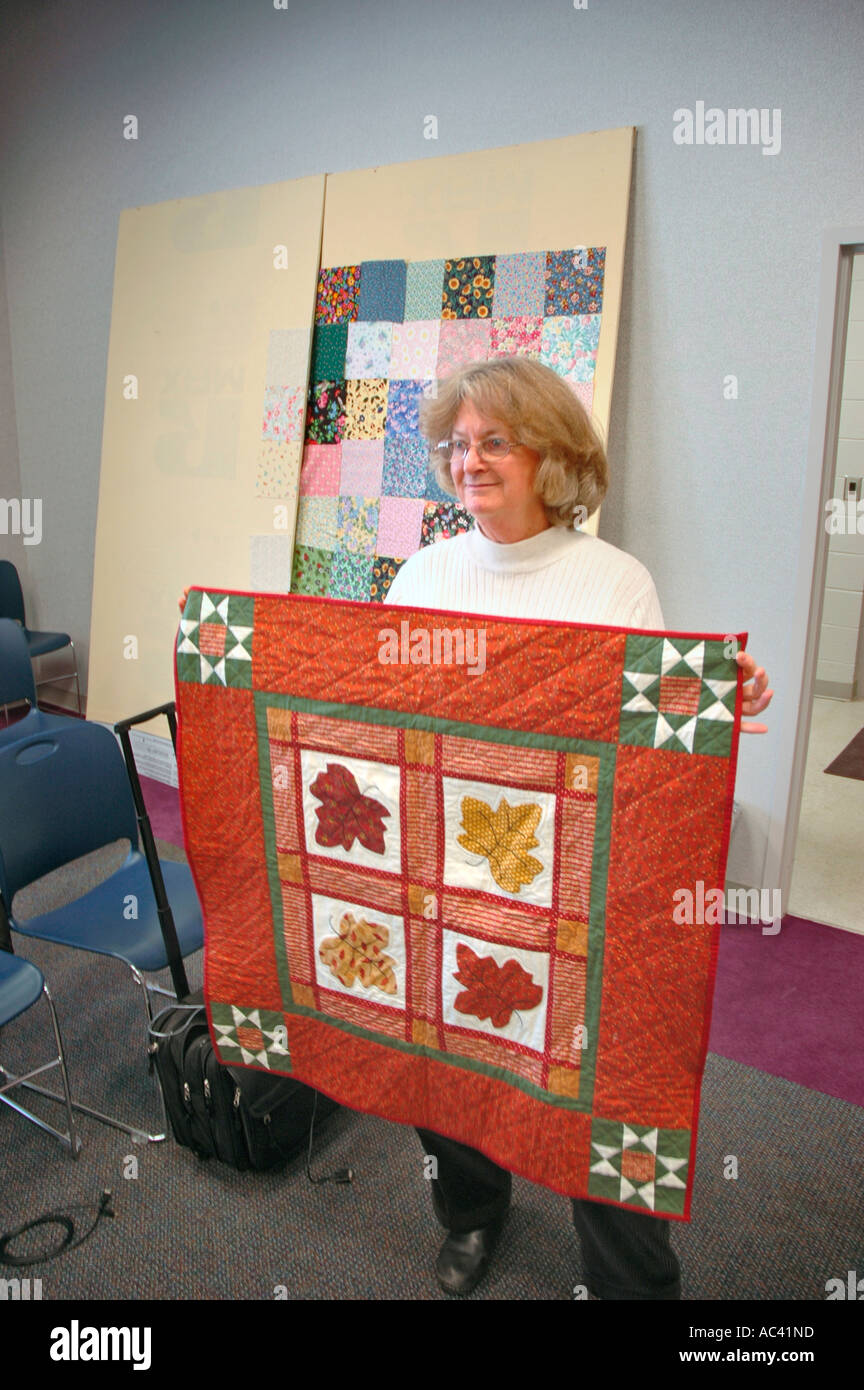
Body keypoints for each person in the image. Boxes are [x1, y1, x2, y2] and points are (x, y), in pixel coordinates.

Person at [384, 355, 773, 1298]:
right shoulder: (424, 574)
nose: (470, 461)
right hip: (453, 872)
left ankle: (630, 1280)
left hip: (575, 882)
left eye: (496, 443)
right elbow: (378, 716)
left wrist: (713, 696)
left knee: (606, 1076)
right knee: (451, 1055)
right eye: (458, 444)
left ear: (550, 456)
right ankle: (472, 1215)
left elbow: (643, 731)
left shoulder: (611, 582)